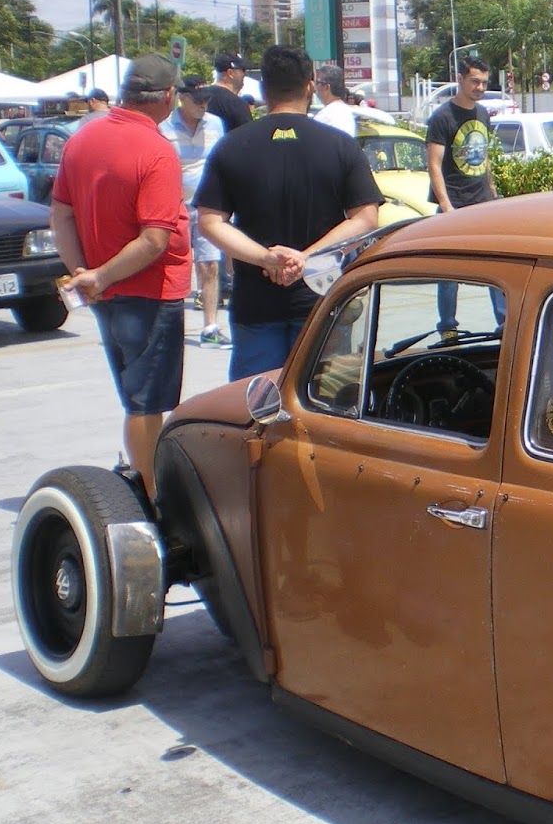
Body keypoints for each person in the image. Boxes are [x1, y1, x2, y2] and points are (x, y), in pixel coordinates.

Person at [49, 53, 190, 501]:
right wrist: (100, 277)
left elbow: (61, 214)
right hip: (146, 291)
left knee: (139, 398)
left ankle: (146, 481)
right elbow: (154, 240)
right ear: (167, 96)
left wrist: (83, 273)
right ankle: (151, 496)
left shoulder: (82, 140)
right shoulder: (156, 150)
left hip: (108, 294)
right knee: (146, 404)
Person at [195, 45, 382, 381]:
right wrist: (305, 258)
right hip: (321, 298)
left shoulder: (233, 146)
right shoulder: (340, 145)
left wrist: (267, 258)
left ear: (264, 89)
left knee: (254, 408)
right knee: (323, 405)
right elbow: (366, 218)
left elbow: (210, 222)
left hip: (255, 302)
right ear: (310, 86)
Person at [425, 55, 507, 332]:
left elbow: (485, 157)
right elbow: (434, 164)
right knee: (449, 272)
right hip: (455, 205)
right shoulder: (442, 117)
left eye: (484, 82)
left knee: (495, 266)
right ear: (460, 79)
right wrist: (446, 207)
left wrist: (493, 193)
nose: (480, 87)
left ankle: (504, 322)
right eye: (475, 81)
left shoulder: (482, 114)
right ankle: (447, 326)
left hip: (483, 203)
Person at [160, 75, 228, 348]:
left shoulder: (216, 124)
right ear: (181, 97)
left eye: (207, 99)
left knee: (210, 264)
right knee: (174, 268)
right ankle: (168, 327)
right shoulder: (163, 127)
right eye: (198, 99)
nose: (204, 104)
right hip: (173, 208)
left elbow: (221, 163)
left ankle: (210, 326)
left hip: (207, 206)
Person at [201, 52, 253, 134]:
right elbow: (248, 138)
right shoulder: (237, 104)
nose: (245, 74)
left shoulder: (199, 96)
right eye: (243, 70)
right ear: (230, 73)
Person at [312, 64, 358, 137]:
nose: (315, 87)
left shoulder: (325, 116)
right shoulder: (345, 111)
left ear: (327, 87)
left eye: (317, 82)